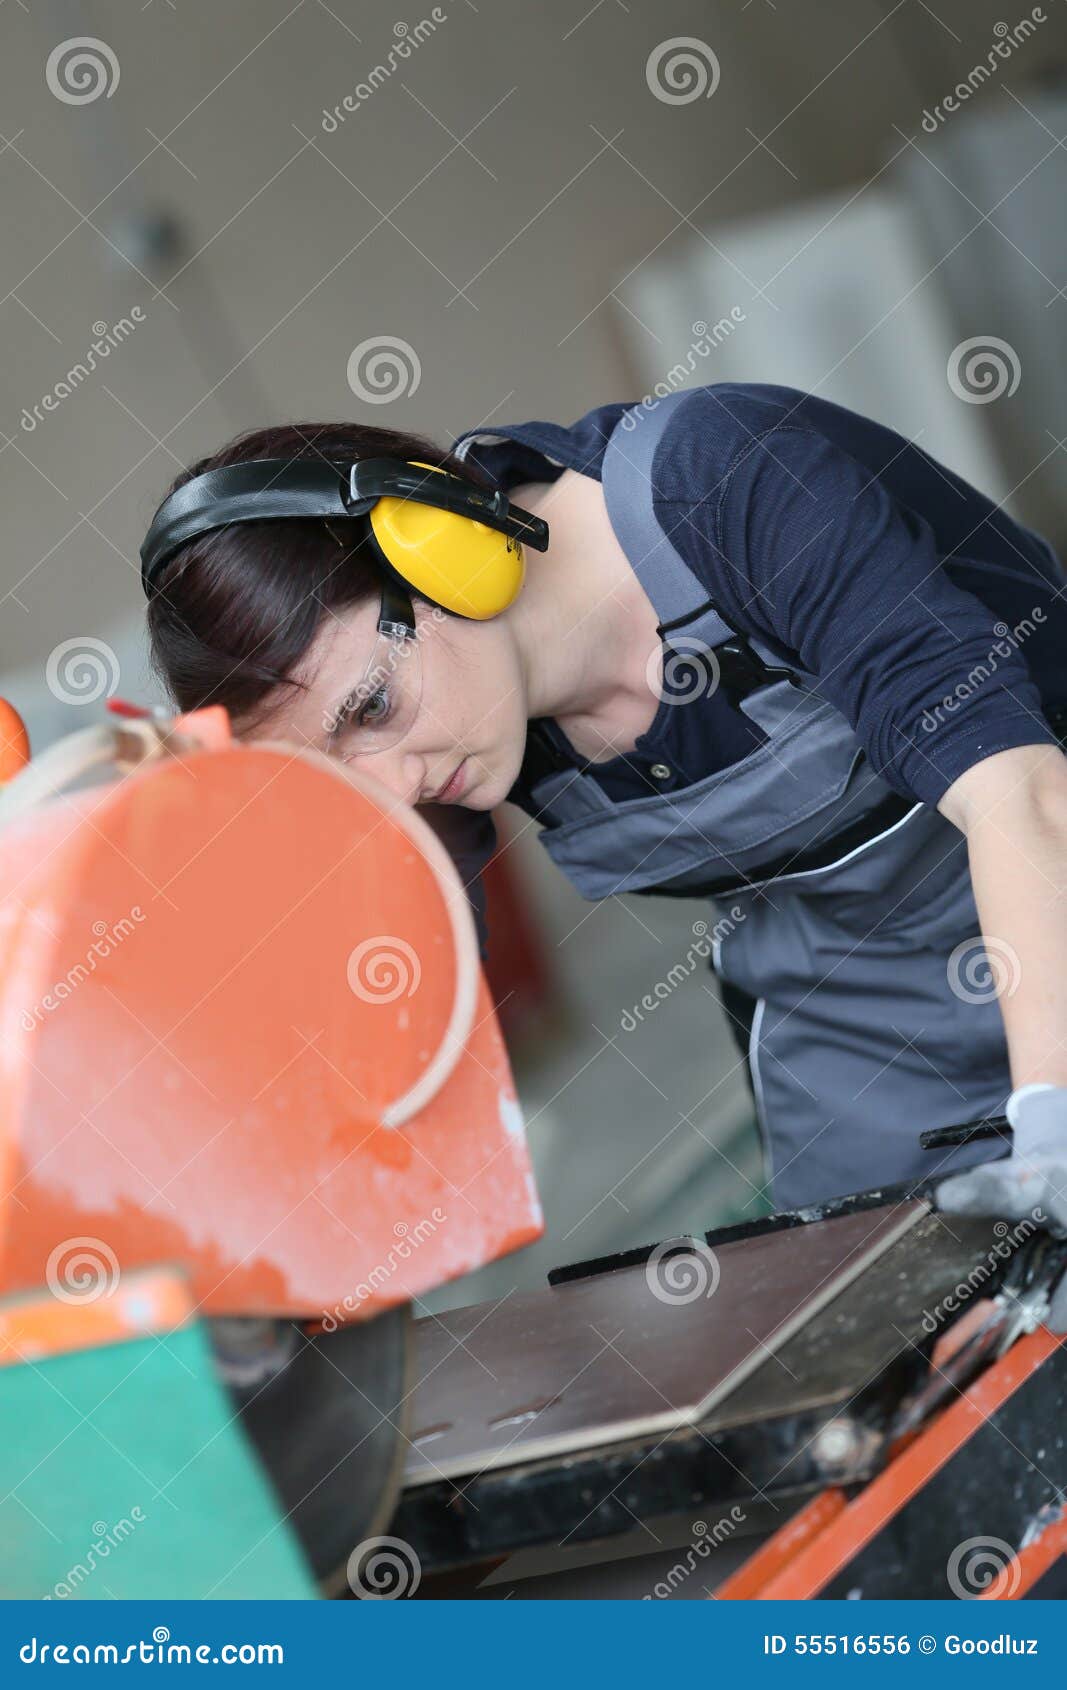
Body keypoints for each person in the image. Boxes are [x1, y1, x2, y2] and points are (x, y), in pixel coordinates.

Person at [140, 384, 1067, 1328]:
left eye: (371, 707)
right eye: (335, 772)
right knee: (875, 1331)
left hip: (1045, 856)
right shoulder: (442, 745)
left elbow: (1020, 798)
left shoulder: (719, 480)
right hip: (849, 1002)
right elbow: (384, 1025)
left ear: (443, 544)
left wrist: (1054, 1133)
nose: (392, 789)